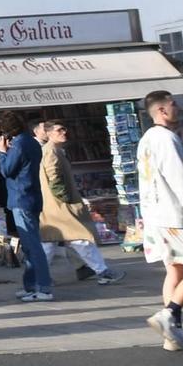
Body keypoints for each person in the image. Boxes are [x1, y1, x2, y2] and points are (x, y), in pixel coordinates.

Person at [137, 90, 183, 351]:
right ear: (161, 110)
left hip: (154, 214)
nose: (177, 108)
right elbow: (178, 179)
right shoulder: (166, 139)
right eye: (173, 104)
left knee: (176, 270)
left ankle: (173, 335)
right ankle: (169, 315)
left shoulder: (146, 139)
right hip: (172, 215)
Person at [40, 121, 120, 284]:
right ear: (49, 133)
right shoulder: (51, 152)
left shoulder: (53, 150)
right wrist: (65, 197)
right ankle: (102, 271)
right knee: (80, 238)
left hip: (53, 206)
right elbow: (53, 176)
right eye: (59, 130)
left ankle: (37, 277)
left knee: (49, 242)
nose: (64, 132)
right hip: (60, 206)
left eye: (65, 128)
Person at [0, 111, 55, 302]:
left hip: (21, 197)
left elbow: (7, 170)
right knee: (30, 246)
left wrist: (2, 153)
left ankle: (44, 287)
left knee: (33, 245)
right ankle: (31, 285)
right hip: (31, 196)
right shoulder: (30, 141)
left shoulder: (19, 144)